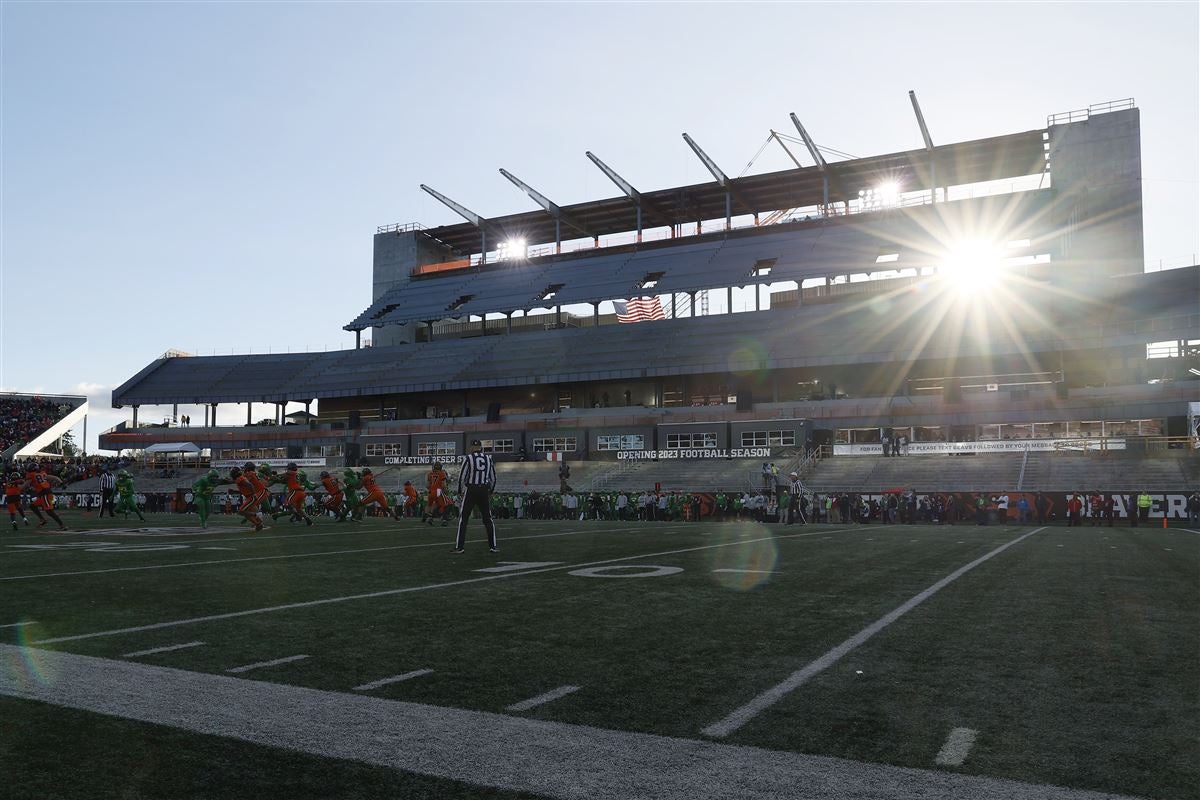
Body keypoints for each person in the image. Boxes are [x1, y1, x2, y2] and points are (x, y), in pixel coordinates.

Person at [454, 438, 497, 553]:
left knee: (464, 518)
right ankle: (493, 546)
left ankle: (460, 547)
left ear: (472, 447)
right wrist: (491, 491)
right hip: (483, 489)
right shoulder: (488, 458)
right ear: (480, 447)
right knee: (488, 519)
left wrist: (459, 490)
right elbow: (493, 477)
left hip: (471, 489)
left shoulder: (468, 458)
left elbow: (462, 476)